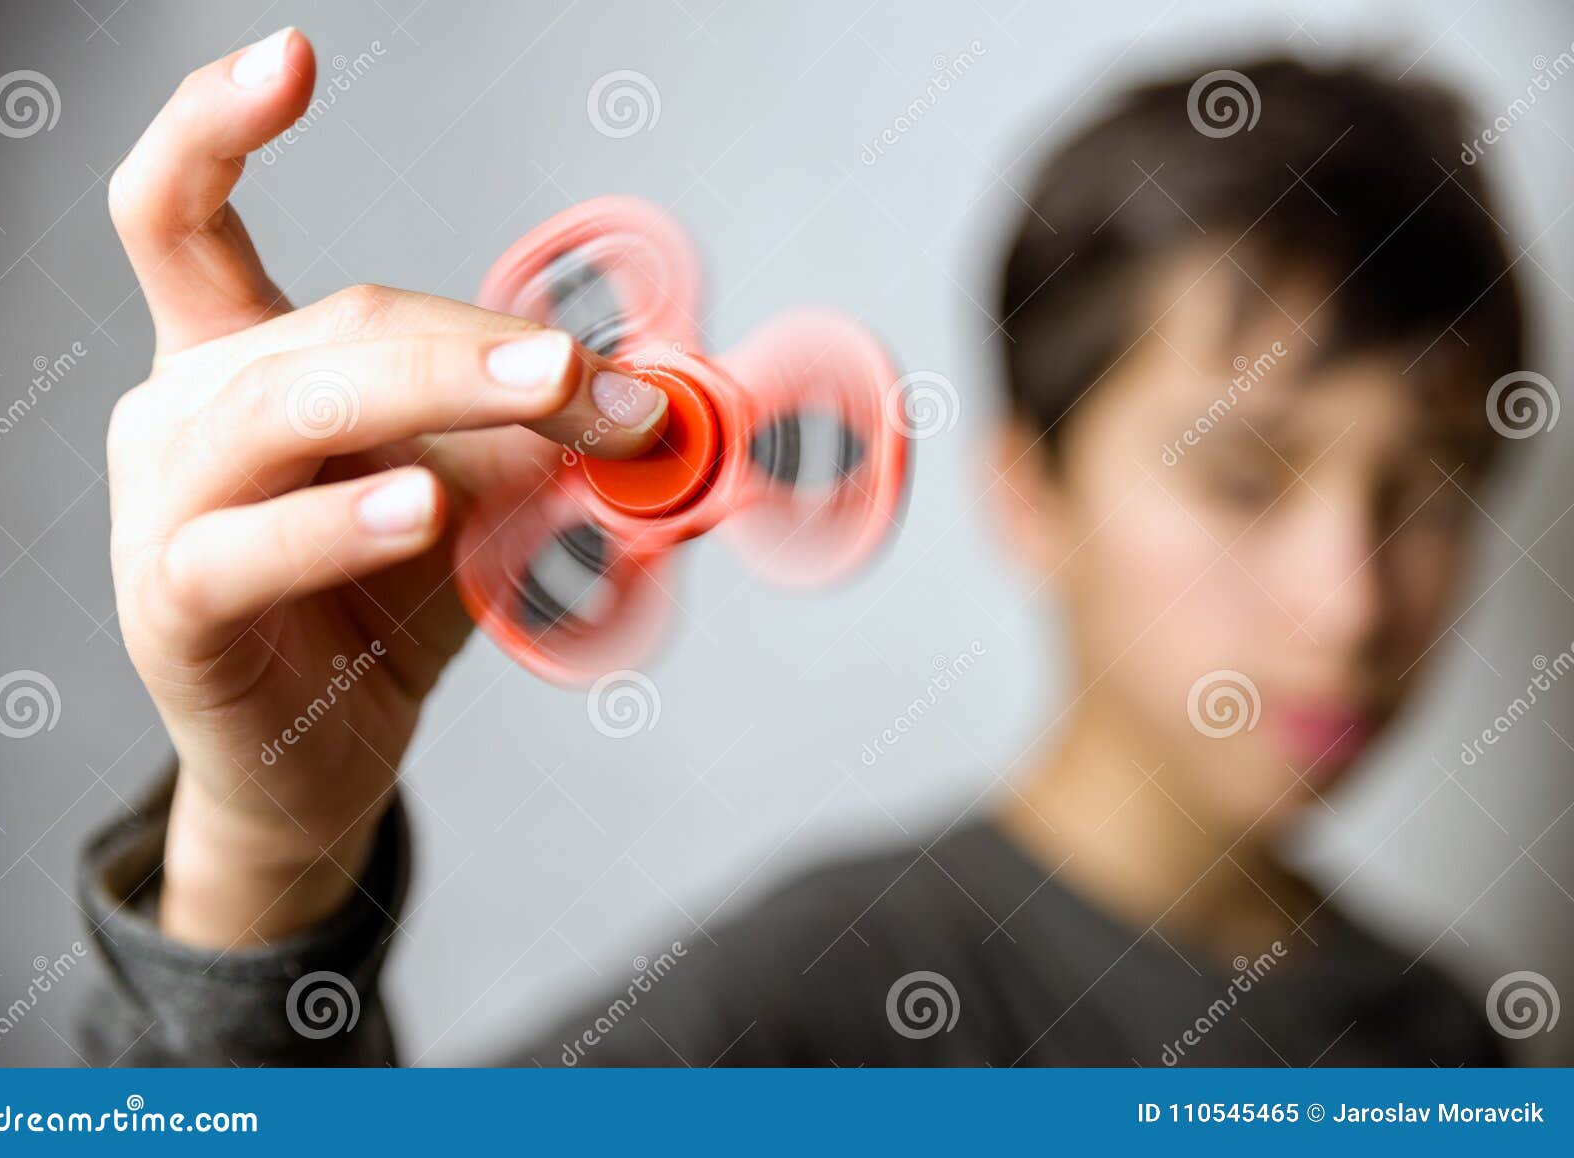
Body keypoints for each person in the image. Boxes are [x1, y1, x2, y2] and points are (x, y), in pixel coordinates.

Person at [78, 28, 1527, 1067]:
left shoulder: (1454, 1042)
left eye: (1434, 485)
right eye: (1245, 476)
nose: (1353, 601)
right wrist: (262, 862)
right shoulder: (794, 1024)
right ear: (1028, 490)